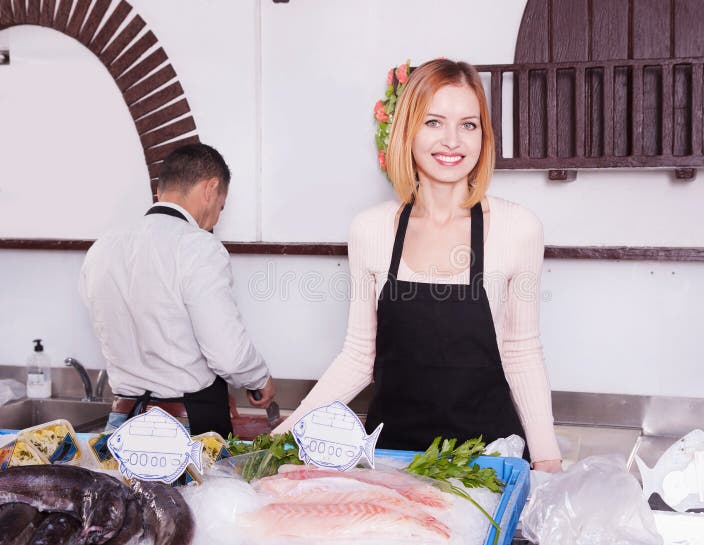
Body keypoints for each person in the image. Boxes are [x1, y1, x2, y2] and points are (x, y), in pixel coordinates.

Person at [273, 59, 561, 471]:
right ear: (408, 130)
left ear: (484, 136)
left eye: (468, 124)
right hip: (391, 461)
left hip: (487, 461)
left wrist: (547, 457)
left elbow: (521, 352)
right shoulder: (370, 230)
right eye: (433, 122)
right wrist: (281, 436)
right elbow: (358, 356)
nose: (452, 140)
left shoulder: (518, 228)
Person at [80, 143, 275, 437]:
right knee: (198, 487)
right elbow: (228, 355)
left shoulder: (102, 248)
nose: (216, 218)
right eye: (221, 207)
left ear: (161, 191)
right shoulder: (199, 247)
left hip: (122, 423)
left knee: (124, 485)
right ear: (211, 188)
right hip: (184, 426)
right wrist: (259, 379)